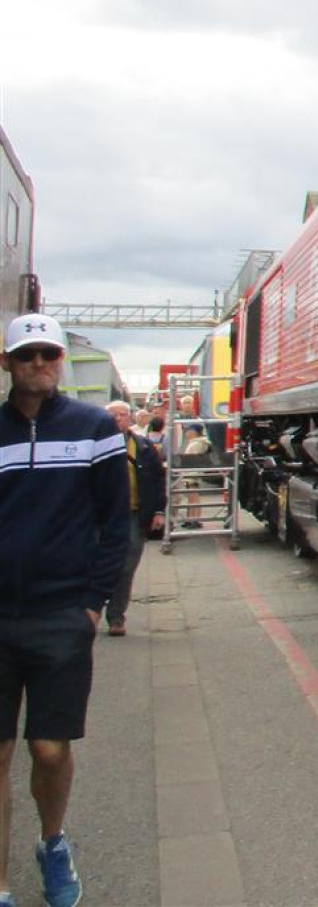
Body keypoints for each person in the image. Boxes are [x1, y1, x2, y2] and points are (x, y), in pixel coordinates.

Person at [0, 313, 129, 907]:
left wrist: (93, 604)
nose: (41, 364)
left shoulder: (95, 427)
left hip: (62, 616)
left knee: (48, 749)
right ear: (8, 365)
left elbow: (113, 523)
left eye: (49, 354)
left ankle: (52, 842)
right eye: (28, 356)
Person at [102, 401, 166, 635]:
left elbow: (158, 479)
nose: (120, 418)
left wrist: (159, 511)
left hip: (134, 514)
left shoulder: (144, 446)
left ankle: (116, 617)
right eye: (115, 415)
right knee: (96, 564)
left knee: (127, 566)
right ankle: (91, 609)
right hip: (102, 516)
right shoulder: (94, 445)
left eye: (124, 414)